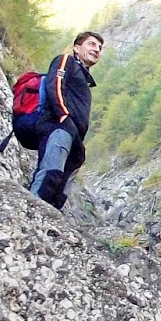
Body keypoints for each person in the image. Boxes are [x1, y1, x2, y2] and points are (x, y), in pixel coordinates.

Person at [28, 31, 102, 209]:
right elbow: (55, 85)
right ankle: (30, 213)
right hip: (58, 127)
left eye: (100, 48)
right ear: (77, 48)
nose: (97, 49)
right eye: (91, 44)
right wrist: (63, 116)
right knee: (50, 174)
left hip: (74, 136)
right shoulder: (65, 61)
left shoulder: (84, 80)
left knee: (59, 191)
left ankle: (48, 220)